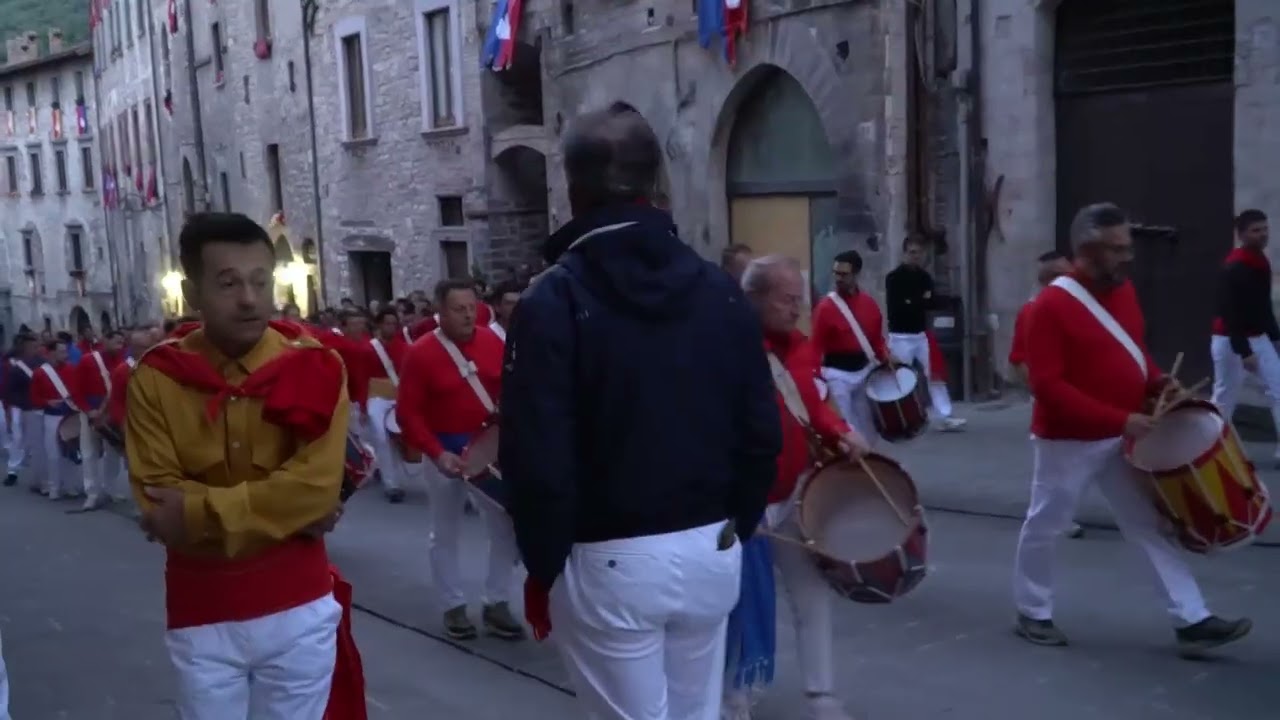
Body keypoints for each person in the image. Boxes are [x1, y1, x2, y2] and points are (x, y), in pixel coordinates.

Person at [501, 101, 781, 720]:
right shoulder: (718, 289)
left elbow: (537, 454)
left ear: (573, 191)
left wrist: (543, 563)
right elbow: (762, 427)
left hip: (610, 554)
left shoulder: (553, 299)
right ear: (655, 185)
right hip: (709, 544)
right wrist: (735, 521)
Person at [126, 212, 357, 719]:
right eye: (228, 284)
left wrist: (196, 511)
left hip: (298, 605)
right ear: (192, 293)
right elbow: (157, 502)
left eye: (261, 281)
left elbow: (316, 490)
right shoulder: (157, 378)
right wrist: (284, 512)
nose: (250, 299)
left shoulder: (316, 365)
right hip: (202, 612)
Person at [1012, 202, 1251, 655]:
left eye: (1127, 246)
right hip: (1067, 441)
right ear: (1087, 250)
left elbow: (1133, 349)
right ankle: (1032, 610)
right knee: (1047, 523)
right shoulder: (1049, 307)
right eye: (1117, 249)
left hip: (1123, 434)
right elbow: (1047, 386)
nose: (1128, 257)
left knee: (1147, 524)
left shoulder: (1122, 291)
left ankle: (1191, 617)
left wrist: (1157, 380)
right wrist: (1120, 419)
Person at [723, 255, 869, 720]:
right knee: (738, 604)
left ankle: (821, 695)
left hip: (793, 494)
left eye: (799, 299)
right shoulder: (724, 349)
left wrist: (841, 431)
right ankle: (734, 694)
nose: (796, 309)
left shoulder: (803, 349)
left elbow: (816, 405)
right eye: (786, 300)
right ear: (754, 298)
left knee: (812, 594)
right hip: (743, 501)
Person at [396, 278, 524, 642]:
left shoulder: (493, 342)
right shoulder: (421, 353)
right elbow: (408, 413)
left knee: (504, 525)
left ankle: (497, 601)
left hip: (488, 451)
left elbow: (509, 392)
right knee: (445, 531)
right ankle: (452, 604)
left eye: (471, 308)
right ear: (440, 311)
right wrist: (436, 453)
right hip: (445, 452)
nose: (468, 315)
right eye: (458, 309)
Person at [1009, 250, 1085, 540]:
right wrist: (1043, 392)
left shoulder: (1075, 306)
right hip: (1054, 398)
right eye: (1066, 274)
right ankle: (1054, 516)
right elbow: (1018, 359)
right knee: (1056, 463)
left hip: (1078, 394)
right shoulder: (1032, 311)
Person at [1210, 209, 1280, 460]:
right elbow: (1230, 312)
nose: (1262, 234)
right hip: (1231, 340)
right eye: (1255, 230)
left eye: (1265, 229)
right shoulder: (1235, 267)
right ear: (1241, 235)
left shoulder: (1259, 261)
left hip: (1258, 337)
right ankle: (1212, 449)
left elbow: (1263, 306)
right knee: (1224, 397)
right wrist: (1244, 351)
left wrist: (1275, 338)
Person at [885, 236, 965, 431]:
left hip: (920, 334)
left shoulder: (924, 277)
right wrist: (918, 301)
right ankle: (902, 418)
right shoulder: (894, 278)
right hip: (900, 336)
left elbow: (929, 302)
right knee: (902, 377)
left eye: (919, 253)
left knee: (935, 374)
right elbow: (898, 306)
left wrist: (915, 301)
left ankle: (945, 416)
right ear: (904, 253)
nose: (916, 256)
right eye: (912, 252)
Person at [811, 250, 892, 442]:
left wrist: (887, 357)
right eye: (836, 273)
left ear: (856, 274)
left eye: (844, 274)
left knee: (868, 429)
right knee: (846, 428)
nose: (838, 278)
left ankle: (868, 457)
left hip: (864, 372)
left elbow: (876, 340)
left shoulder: (869, 304)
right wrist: (814, 377)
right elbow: (815, 346)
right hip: (837, 376)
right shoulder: (825, 308)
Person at [72, 329, 128, 510]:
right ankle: (92, 493)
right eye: (117, 342)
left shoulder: (123, 361)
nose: (120, 346)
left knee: (113, 453)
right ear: (106, 341)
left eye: (122, 343)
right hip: (92, 412)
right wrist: (88, 410)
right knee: (89, 453)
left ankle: (110, 488)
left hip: (111, 414)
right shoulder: (88, 360)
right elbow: (77, 389)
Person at [364, 307, 413, 503]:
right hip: (376, 396)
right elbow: (361, 377)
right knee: (381, 436)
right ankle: (391, 484)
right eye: (387, 323)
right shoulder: (368, 348)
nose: (391, 327)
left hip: (399, 396)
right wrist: (362, 403)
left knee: (401, 438)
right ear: (379, 325)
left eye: (394, 324)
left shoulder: (405, 348)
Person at [30, 338, 81, 501]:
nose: (65, 354)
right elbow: (34, 398)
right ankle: (54, 486)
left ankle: (70, 485)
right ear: (51, 352)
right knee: (53, 453)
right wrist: (47, 402)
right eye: (61, 351)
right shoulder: (40, 373)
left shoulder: (72, 369)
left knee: (71, 451)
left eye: (66, 351)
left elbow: (78, 392)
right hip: (51, 417)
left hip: (70, 416)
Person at [5, 334, 44, 490]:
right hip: (19, 407)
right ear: (25, 347)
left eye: (37, 346)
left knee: (35, 441)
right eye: (32, 347)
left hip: (35, 407)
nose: (36, 349)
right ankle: (12, 471)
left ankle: (38, 474)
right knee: (17, 438)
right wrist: (10, 408)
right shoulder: (16, 366)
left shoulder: (42, 363)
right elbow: (10, 389)